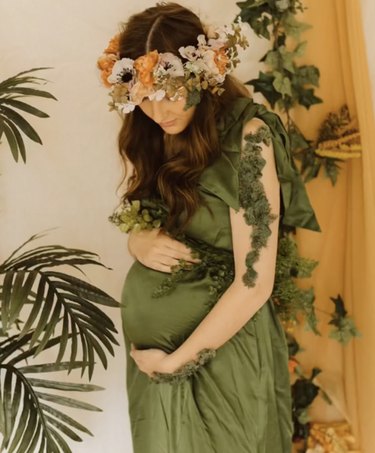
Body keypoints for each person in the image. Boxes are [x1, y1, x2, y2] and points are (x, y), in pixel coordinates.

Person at [98, 3, 320, 452]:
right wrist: (138, 240)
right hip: (158, 368)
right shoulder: (156, 133)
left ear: (203, 75)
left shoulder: (249, 139)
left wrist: (176, 364)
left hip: (223, 359)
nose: (157, 110)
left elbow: (254, 282)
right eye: (143, 96)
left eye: (169, 91)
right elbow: (156, 216)